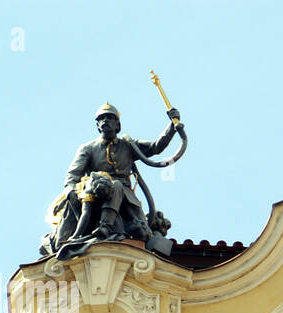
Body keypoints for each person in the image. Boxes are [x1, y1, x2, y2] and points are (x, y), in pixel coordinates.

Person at [42, 103, 182, 257]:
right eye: (101, 119)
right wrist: (70, 190)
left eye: (109, 118)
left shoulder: (128, 145)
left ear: (118, 125)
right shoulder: (88, 148)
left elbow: (155, 148)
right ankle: (100, 228)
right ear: (97, 125)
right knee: (109, 188)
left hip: (126, 196)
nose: (105, 121)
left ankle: (108, 228)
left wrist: (172, 127)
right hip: (97, 190)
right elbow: (73, 176)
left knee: (140, 227)